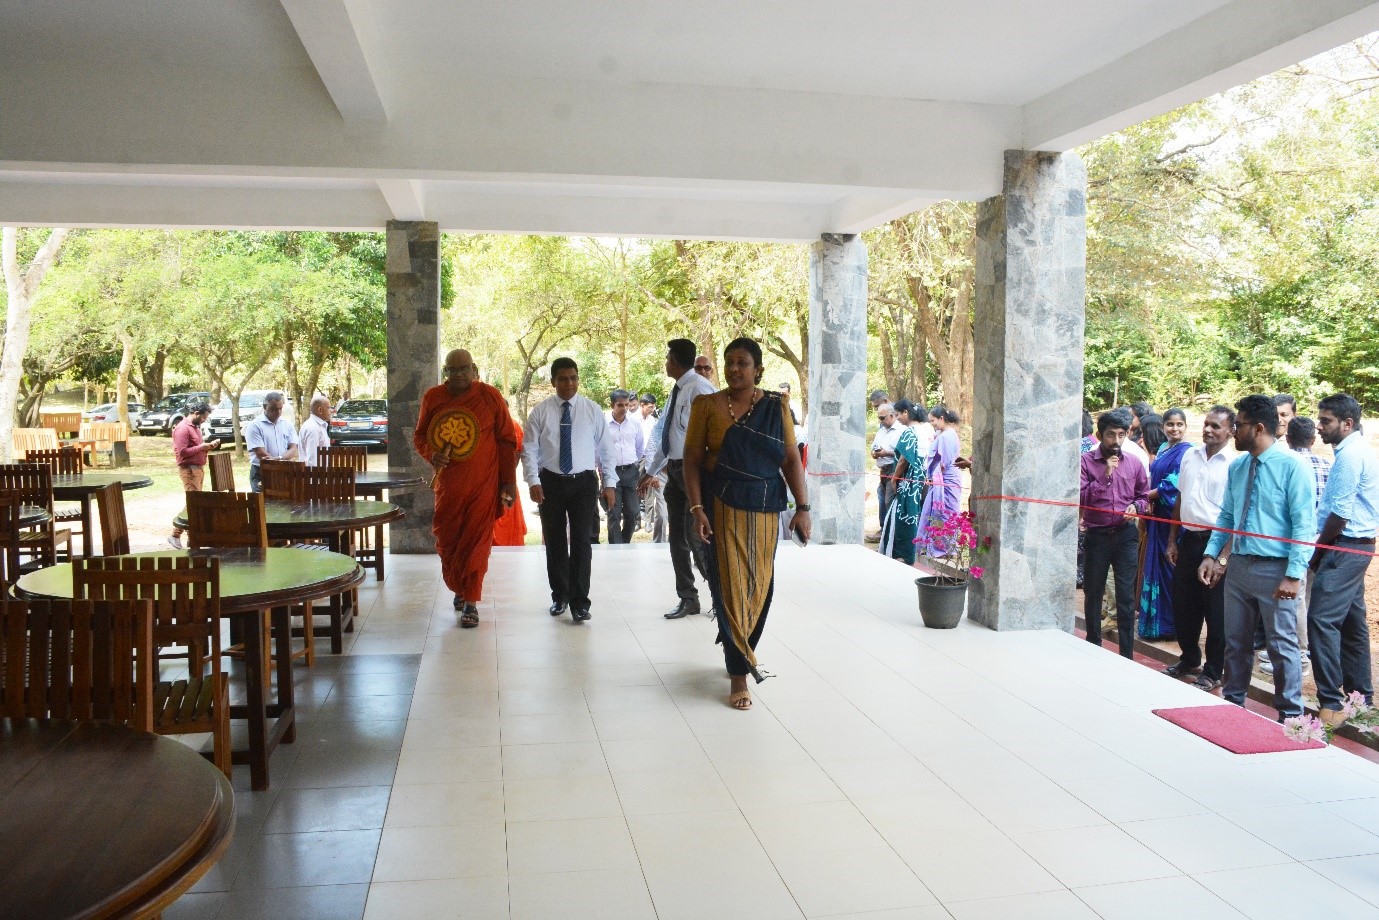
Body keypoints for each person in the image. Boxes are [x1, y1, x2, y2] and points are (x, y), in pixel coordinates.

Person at [683, 337, 810, 710]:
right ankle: (739, 674)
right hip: (721, 503)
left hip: (766, 506)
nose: (735, 369)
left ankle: (741, 647)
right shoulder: (706, 405)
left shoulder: (776, 406)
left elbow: (789, 459)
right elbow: (691, 459)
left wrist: (802, 508)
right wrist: (696, 508)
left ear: (758, 370)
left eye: (743, 363)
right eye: (729, 362)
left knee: (759, 587)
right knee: (729, 587)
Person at [1199, 395, 1314, 720]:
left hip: (1277, 571)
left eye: (1239, 425)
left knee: (1281, 646)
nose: (1234, 432)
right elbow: (1227, 515)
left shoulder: (1293, 467)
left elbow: (1305, 525)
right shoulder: (1238, 466)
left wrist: (1293, 575)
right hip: (1239, 568)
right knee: (1235, 641)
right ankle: (1233, 705)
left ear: (1259, 428)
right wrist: (1212, 554)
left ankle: (1291, 717)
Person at [414, 349, 518, 627]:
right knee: (448, 540)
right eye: (452, 370)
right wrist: (431, 453)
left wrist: (509, 482)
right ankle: (460, 588)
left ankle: (471, 600)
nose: (458, 375)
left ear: (473, 369)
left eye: (464, 369)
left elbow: (507, 440)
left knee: (477, 543)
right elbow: (421, 435)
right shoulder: (433, 398)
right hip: (449, 486)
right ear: (445, 372)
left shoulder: (489, 396)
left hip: (483, 485)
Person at [523, 357, 616, 623]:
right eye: (563, 379)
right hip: (550, 482)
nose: (569, 383)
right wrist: (533, 481)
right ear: (553, 381)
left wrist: (609, 483)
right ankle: (559, 596)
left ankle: (580, 602)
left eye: (573, 377)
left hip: (584, 483)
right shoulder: (540, 412)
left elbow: (606, 450)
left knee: (581, 542)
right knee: (554, 542)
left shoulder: (592, 410)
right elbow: (529, 449)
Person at [1308, 393, 1377, 725]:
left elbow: (1340, 514)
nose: (1319, 427)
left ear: (1347, 424)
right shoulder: (1357, 451)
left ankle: (1332, 703)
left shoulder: (1350, 456)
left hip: (1345, 545)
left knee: (1321, 620)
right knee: (1352, 623)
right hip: (1355, 546)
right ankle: (1360, 697)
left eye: (1326, 421)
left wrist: (1319, 551)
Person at [640, 339, 717, 619]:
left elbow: (711, 435)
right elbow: (669, 436)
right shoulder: (679, 388)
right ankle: (688, 598)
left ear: (674, 361)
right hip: (674, 469)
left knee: (697, 536)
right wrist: (651, 471)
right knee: (678, 538)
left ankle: (720, 597)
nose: (665, 362)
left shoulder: (699, 388)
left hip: (693, 470)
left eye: (667, 357)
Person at [1164, 406, 1234, 691]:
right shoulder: (1189, 456)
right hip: (1188, 540)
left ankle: (1213, 670)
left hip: (1216, 544)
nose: (1209, 430)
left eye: (1216, 426)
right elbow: (1180, 499)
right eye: (1206, 424)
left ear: (1230, 431)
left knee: (1215, 612)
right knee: (1184, 606)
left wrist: (1223, 557)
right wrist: (1172, 539)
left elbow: (1236, 515)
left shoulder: (1234, 463)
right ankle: (1190, 659)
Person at [1080, 408, 1150, 658]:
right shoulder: (1087, 461)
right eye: (1111, 435)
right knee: (1094, 592)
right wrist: (1105, 475)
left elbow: (1143, 496)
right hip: (1097, 535)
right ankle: (1093, 648)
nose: (1117, 441)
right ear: (1100, 435)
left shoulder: (1133, 462)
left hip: (1124, 535)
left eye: (1122, 435)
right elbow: (1081, 496)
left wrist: (1136, 506)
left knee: (1125, 596)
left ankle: (1127, 656)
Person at [1137, 409, 1190, 641]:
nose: (1174, 429)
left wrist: (1145, 496)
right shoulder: (1162, 449)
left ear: (1185, 427)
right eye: (1170, 424)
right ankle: (1153, 624)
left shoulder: (1188, 452)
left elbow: (1174, 484)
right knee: (1154, 567)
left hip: (1172, 518)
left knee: (1170, 571)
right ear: (1163, 426)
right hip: (1156, 517)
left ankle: (1171, 625)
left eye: (1179, 424)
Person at [167, 402, 220, 549]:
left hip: (198, 469)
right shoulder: (182, 428)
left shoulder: (195, 427)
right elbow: (182, 452)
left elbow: (194, 449)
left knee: (194, 503)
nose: (204, 420)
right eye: (204, 416)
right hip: (188, 470)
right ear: (196, 413)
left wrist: (207, 447)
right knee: (193, 503)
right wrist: (201, 447)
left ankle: (192, 538)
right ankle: (175, 535)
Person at [880, 399, 924, 565]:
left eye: (898, 415)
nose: (897, 418)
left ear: (906, 413)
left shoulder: (910, 432)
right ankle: (908, 552)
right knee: (913, 514)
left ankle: (901, 553)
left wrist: (895, 477)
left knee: (901, 516)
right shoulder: (926, 431)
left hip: (907, 481)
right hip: (918, 480)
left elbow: (903, 458)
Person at [916, 406, 963, 557]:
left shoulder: (946, 436)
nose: (932, 424)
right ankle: (934, 545)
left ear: (941, 418)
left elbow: (944, 462)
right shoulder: (944, 434)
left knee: (944, 511)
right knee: (936, 510)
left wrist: (934, 478)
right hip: (941, 478)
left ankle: (944, 548)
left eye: (933, 421)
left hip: (945, 478)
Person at [604, 388, 644, 544]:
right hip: (611, 473)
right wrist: (603, 471)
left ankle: (624, 544)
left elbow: (640, 448)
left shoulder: (634, 423)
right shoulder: (604, 423)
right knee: (613, 513)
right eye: (620, 405)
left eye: (627, 405)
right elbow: (598, 449)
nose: (624, 409)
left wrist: (633, 464)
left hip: (630, 471)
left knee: (633, 512)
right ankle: (616, 547)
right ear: (612, 405)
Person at [245, 391, 299, 492]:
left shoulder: (287, 424)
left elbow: (293, 448)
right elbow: (261, 453)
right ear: (265, 407)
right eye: (273, 409)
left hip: (283, 469)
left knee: (284, 504)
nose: (278, 412)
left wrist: (279, 458)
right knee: (263, 504)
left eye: (280, 409)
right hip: (261, 471)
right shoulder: (255, 426)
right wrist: (276, 460)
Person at [492, 419, 529, 547]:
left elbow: (518, 453)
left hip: (504, 483)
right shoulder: (484, 423)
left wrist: (507, 476)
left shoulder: (513, 426)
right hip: (496, 483)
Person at [637, 394, 668, 543]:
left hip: (683, 472)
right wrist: (652, 473)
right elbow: (651, 448)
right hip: (661, 472)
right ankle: (659, 542)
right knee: (662, 513)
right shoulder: (660, 424)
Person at [871, 402, 904, 531]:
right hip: (882, 470)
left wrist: (887, 453)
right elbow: (874, 447)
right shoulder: (881, 431)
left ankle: (891, 531)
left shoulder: (901, 430)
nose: (881, 421)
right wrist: (875, 453)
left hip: (893, 468)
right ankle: (883, 529)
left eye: (883, 418)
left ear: (891, 415)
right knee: (881, 499)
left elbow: (903, 454)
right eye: (879, 418)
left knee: (889, 501)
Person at [298, 394, 332, 466]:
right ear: (320, 410)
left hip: (322, 474)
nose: (331, 411)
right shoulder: (313, 428)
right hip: (315, 475)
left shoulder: (319, 426)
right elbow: (312, 459)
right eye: (328, 408)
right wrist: (315, 477)